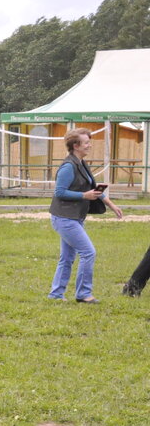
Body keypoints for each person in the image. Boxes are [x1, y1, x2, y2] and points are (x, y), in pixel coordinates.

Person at [47, 127, 123, 303]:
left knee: (67, 258)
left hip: (75, 218)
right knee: (88, 252)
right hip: (64, 218)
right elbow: (59, 192)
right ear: (75, 145)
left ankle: (56, 294)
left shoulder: (81, 163)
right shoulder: (68, 166)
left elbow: (92, 190)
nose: (89, 145)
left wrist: (111, 205)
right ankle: (83, 294)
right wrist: (83, 196)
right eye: (86, 142)